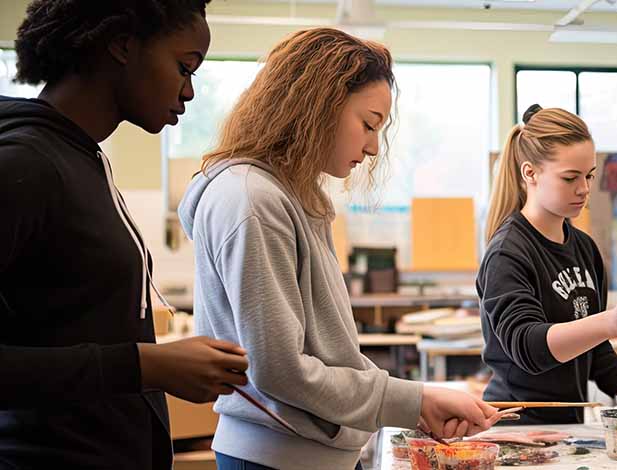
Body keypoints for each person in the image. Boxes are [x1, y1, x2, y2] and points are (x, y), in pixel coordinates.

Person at [178, 28, 497, 470]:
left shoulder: (293, 196)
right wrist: (413, 400)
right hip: (278, 457)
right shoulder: (253, 198)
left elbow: (328, 352)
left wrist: (416, 401)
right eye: (367, 124)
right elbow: (280, 369)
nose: (372, 147)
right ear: (317, 104)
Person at [0, 1, 252, 468]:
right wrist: (147, 365)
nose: (190, 92)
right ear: (121, 45)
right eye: (184, 67)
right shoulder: (25, 164)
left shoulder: (82, 159)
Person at [478, 104, 617, 425]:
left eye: (589, 176)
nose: (584, 189)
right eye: (570, 178)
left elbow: (594, 347)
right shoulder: (508, 252)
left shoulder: (584, 248)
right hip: (516, 427)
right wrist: (613, 321)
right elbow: (528, 348)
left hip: (567, 425)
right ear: (530, 173)